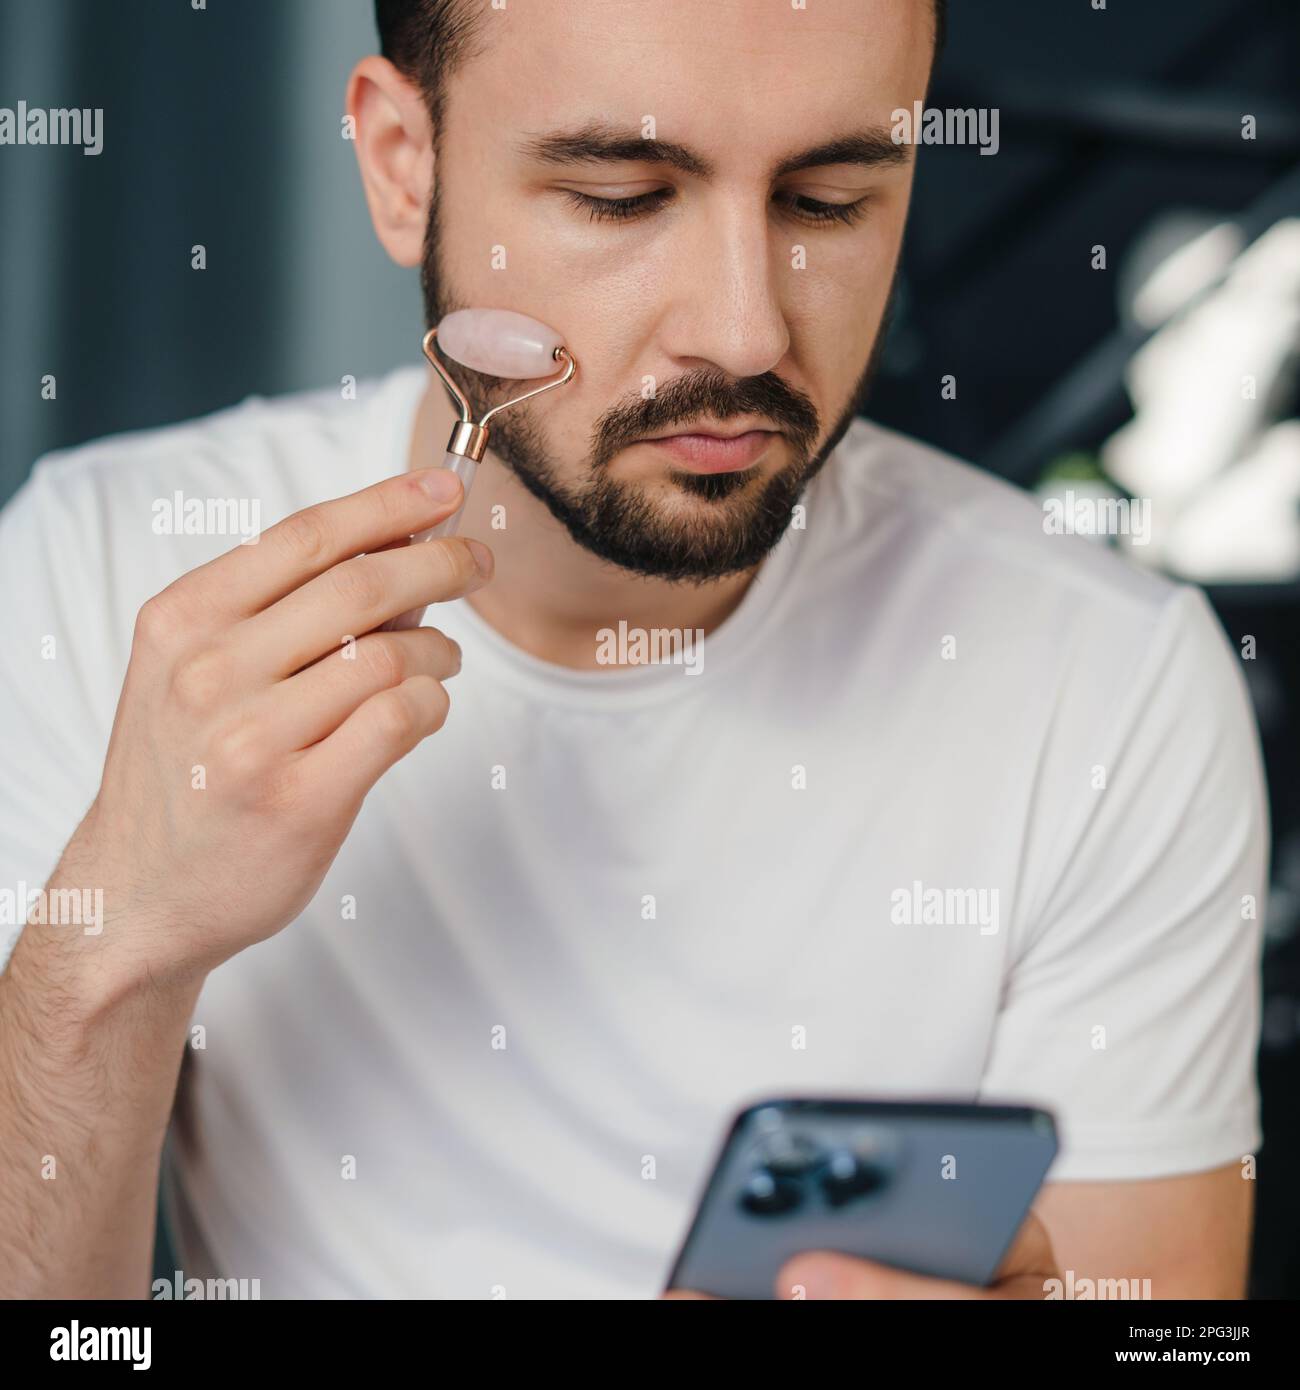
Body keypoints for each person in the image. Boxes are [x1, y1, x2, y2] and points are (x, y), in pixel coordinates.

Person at [0, 0, 1266, 1300]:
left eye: (829, 199)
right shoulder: (106, 573)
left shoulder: (1108, 684)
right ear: (400, 165)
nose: (744, 333)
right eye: (618, 195)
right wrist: (113, 943)